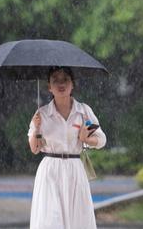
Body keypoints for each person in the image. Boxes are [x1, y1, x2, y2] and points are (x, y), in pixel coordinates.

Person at [28, 66, 106, 229]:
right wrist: (36, 128)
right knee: (51, 220)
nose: (61, 83)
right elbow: (35, 149)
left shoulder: (83, 112)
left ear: (73, 84)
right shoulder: (41, 115)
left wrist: (87, 139)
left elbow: (101, 139)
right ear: (49, 87)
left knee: (77, 219)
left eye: (65, 79)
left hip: (75, 170)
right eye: (55, 80)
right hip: (50, 171)